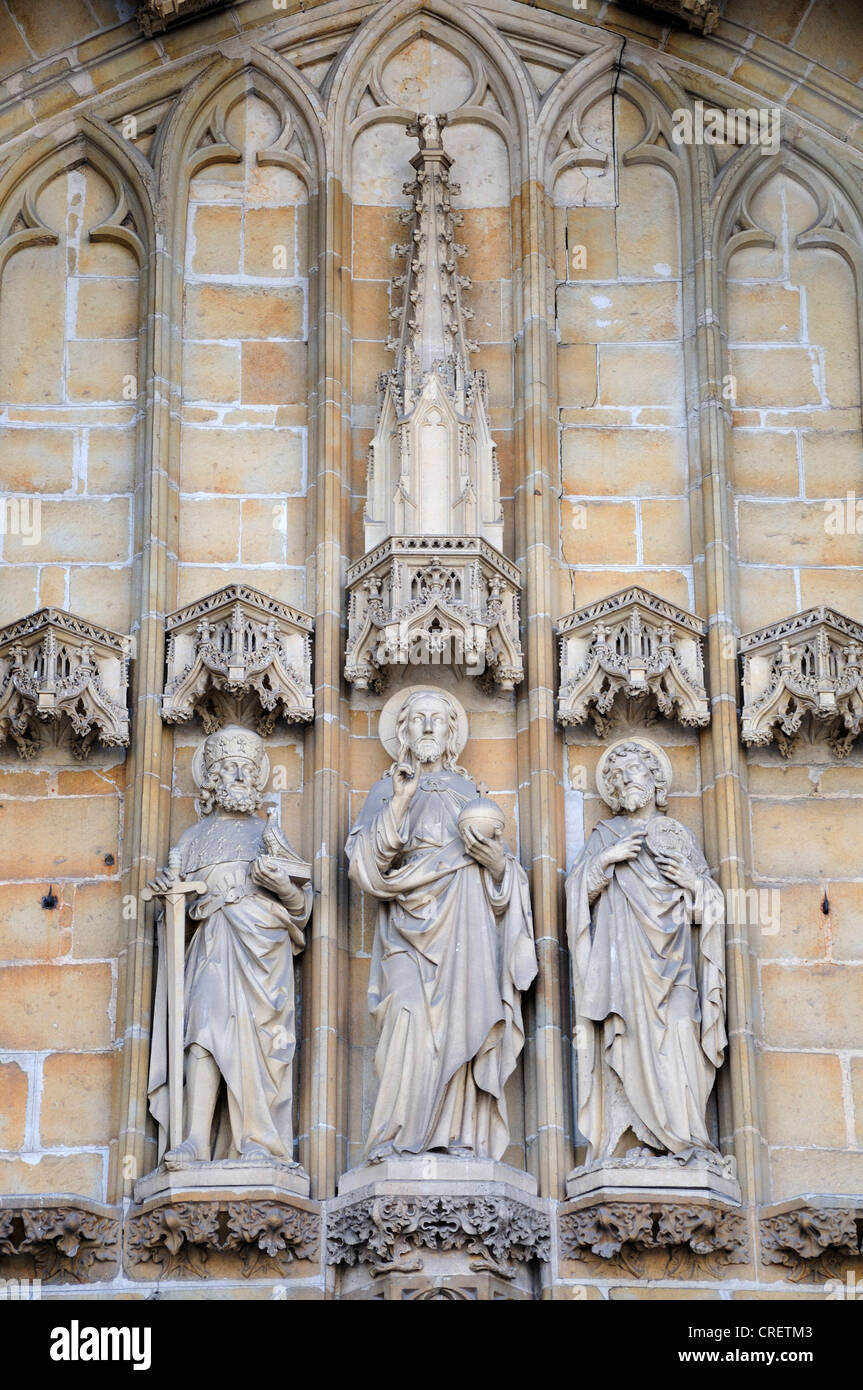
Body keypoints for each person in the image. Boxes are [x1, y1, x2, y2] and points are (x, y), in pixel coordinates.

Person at [347, 688, 537, 1163]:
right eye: (419, 719)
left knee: (464, 1023)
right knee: (407, 1016)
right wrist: (401, 800)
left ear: (453, 734)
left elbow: (507, 882)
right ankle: (398, 1137)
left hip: (466, 931)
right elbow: (364, 865)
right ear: (403, 730)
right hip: (407, 930)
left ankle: (459, 1137)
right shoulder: (387, 790)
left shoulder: (471, 795)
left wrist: (496, 866)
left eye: (439, 720)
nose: (428, 728)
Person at [146, 725, 312, 1168]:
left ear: (258, 780)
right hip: (212, 946)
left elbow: (301, 907)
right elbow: (175, 925)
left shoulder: (269, 834)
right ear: (212, 781)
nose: (238, 775)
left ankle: (259, 1140)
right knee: (202, 1032)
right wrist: (170, 898)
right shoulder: (192, 840)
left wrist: (284, 887)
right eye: (227, 769)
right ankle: (196, 1139)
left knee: (260, 1043)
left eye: (246, 769)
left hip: (264, 950)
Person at [566, 739, 727, 1167]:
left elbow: (709, 907)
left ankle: (687, 1137)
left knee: (679, 1028)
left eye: (634, 771)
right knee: (627, 1038)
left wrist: (693, 883)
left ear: (655, 780)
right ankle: (634, 1138)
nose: (624, 780)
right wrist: (606, 862)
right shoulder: (605, 836)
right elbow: (576, 895)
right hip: (624, 969)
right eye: (617, 777)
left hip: (676, 966)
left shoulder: (679, 836)